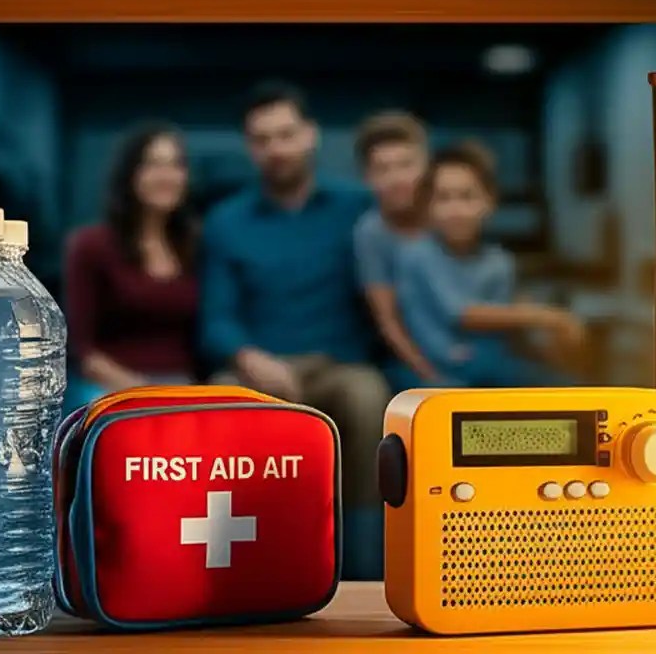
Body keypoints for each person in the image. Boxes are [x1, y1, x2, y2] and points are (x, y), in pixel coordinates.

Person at [199, 81, 390, 580]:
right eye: (262, 139)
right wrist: (247, 355)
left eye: (286, 134)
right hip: (259, 372)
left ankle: (365, 574)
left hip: (337, 367)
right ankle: (228, 573)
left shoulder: (358, 207)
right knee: (217, 401)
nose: (276, 149)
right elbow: (215, 317)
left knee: (370, 396)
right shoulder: (225, 221)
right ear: (249, 147)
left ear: (310, 135)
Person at [396, 140, 584, 387]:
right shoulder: (419, 253)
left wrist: (547, 344)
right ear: (427, 208)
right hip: (437, 366)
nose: (456, 210)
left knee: (569, 388)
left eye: (467, 197)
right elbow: (462, 314)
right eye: (443, 198)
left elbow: (512, 319)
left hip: (493, 364)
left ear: (489, 202)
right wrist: (551, 318)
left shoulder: (498, 260)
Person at [64, 123, 200, 411]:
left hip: (183, 389)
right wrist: (141, 391)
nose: (167, 176)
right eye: (153, 165)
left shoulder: (194, 245)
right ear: (130, 175)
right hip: (111, 389)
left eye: (176, 165)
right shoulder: (90, 245)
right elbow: (82, 348)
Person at [351, 111, 439, 390]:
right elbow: (388, 322)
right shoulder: (371, 233)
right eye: (383, 169)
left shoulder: (446, 213)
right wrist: (432, 376)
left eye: (406, 165)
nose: (397, 178)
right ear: (367, 177)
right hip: (410, 360)